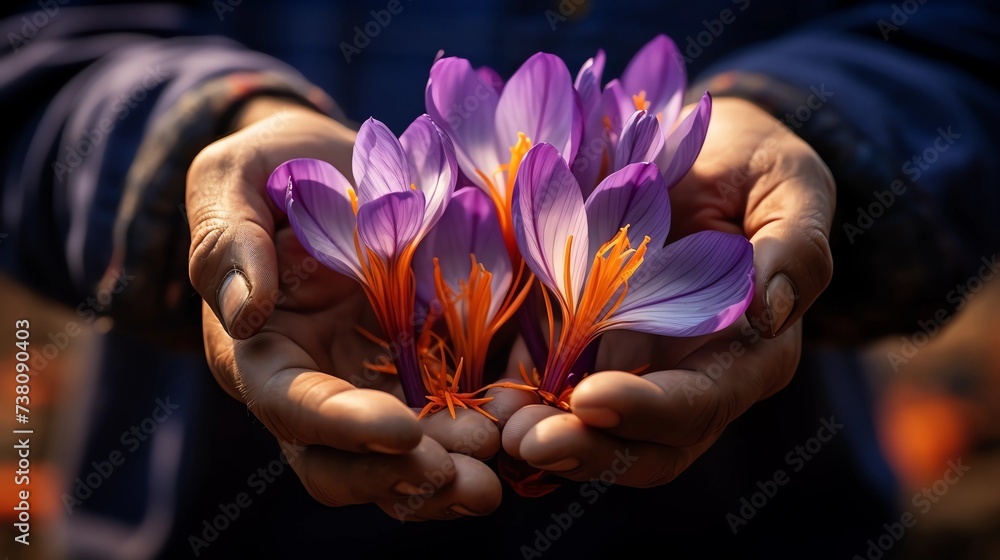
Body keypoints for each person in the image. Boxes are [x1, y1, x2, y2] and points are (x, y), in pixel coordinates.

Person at [2, 0, 998, 557]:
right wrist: (202, 127)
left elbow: (955, 35)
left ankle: (554, 361)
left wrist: (818, 133)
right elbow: (35, 40)